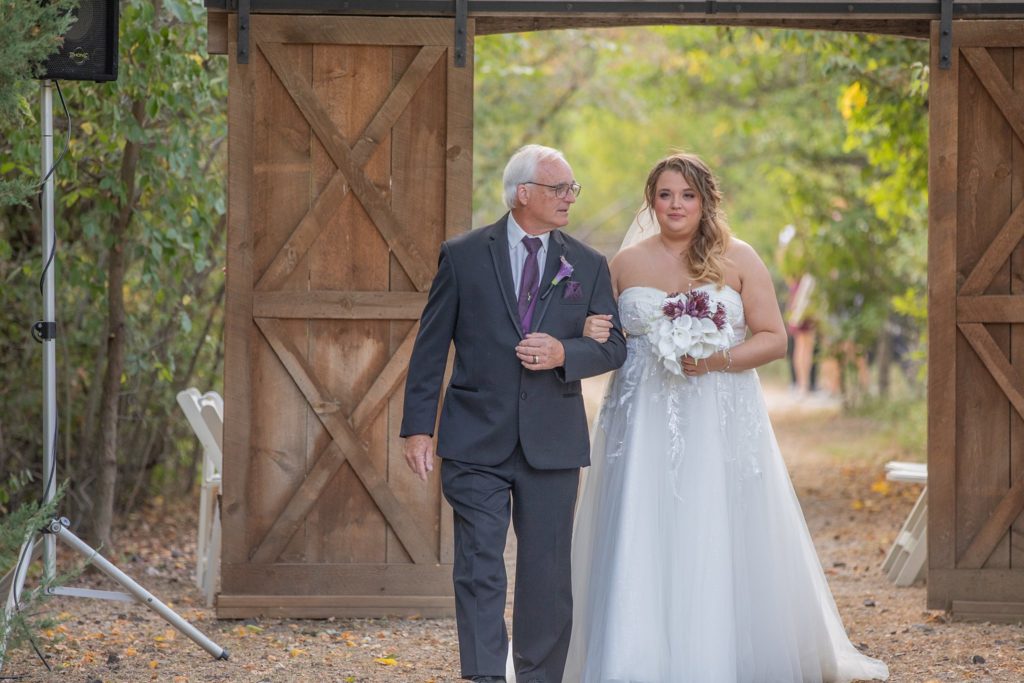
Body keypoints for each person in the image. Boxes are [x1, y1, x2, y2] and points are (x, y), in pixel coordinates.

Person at [564, 153, 889, 682]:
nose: (675, 206)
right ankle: (631, 654)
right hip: (639, 418)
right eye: (665, 195)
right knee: (639, 519)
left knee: (712, 517)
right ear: (652, 201)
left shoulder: (738, 257)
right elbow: (604, 336)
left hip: (718, 415)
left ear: (705, 201)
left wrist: (715, 359)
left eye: (687, 195)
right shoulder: (621, 264)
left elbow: (774, 339)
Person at [400, 144, 627, 683]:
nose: (570, 197)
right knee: (479, 566)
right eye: (559, 188)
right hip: (474, 438)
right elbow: (432, 348)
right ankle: (483, 675)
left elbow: (615, 346)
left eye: (572, 188)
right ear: (522, 193)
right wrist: (416, 429)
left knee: (546, 575)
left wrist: (565, 353)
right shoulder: (462, 256)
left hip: (551, 442)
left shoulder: (589, 264)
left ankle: (539, 676)